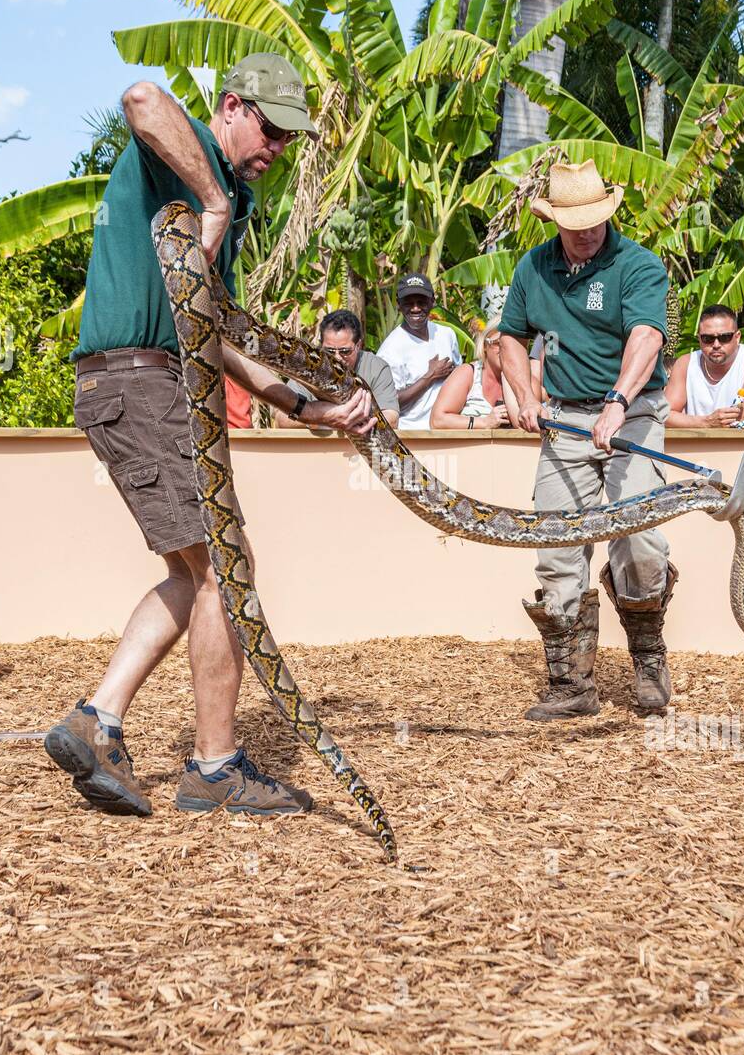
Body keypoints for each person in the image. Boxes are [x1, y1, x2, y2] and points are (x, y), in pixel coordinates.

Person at [44, 53, 375, 821]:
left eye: (290, 140)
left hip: (152, 382)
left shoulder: (236, 203)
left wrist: (303, 405)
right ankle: (214, 765)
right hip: (136, 381)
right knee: (226, 567)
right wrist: (210, 198)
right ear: (230, 106)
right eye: (270, 128)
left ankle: (96, 720)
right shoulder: (182, 150)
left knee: (199, 570)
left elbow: (214, 333)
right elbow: (137, 95)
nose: (277, 149)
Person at [499, 158, 678, 720]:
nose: (587, 231)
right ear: (554, 220)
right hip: (565, 420)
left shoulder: (637, 265)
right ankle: (570, 681)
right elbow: (509, 337)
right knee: (555, 542)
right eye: (575, 222)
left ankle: (648, 661)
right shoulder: (533, 268)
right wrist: (526, 396)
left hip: (634, 414)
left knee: (641, 539)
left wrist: (618, 403)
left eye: (596, 219)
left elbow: (646, 335)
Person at [273, 309, 399, 430]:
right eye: (329, 351)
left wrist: (347, 419)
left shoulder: (375, 367)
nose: (337, 358)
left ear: (358, 345)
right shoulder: (308, 367)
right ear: (320, 346)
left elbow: (391, 419)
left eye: (345, 351)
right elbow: (281, 419)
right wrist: (321, 418)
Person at [665, 306, 744, 429]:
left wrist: (689, 421)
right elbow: (665, 416)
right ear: (699, 339)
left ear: (737, 337)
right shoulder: (685, 364)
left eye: (724, 337)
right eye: (708, 338)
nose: (716, 345)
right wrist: (706, 422)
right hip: (698, 447)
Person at [377, 273, 461, 427]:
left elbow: (460, 377)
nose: (415, 308)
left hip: (448, 430)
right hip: (413, 434)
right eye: (408, 303)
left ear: (432, 302)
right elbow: (387, 404)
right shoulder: (390, 350)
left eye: (421, 302)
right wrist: (430, 377)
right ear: (399, 305)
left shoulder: (447, 335)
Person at [429, 319, 521, 429]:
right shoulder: (468, 374)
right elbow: (437, 420)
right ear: (485, 345)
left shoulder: (522, 377)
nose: (505, 349)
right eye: (498, 343)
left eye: (511, 344)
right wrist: (483, 422)